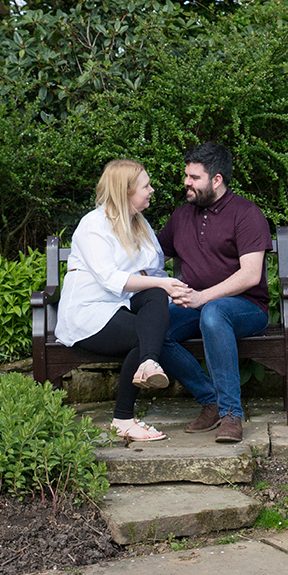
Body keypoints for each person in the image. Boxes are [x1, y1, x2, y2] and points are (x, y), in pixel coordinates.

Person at [56, 159, 194, 442]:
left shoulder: (139, 224)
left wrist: (171, 291)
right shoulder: (93, 226)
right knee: (144, 335)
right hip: (89, 314)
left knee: (156, 296)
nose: (152, 190)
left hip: (122, 307)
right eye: (146, 186)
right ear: (125, 191)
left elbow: (153, 273)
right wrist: (161, 283)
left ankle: (148, 364)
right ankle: (123, 419)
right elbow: (111, 279)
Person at [155, 142, 272, 444]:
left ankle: (232, 413)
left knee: (214, 312)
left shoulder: (246, 214)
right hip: (198, 307)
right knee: (154, 327)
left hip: (246, 308)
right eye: (186, 175)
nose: (186, 183)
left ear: (216, 180)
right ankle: (211, 401)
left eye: (194, 177)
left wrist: (202, 297)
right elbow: (150, 258)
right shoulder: (181, 216)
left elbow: (250, 275)